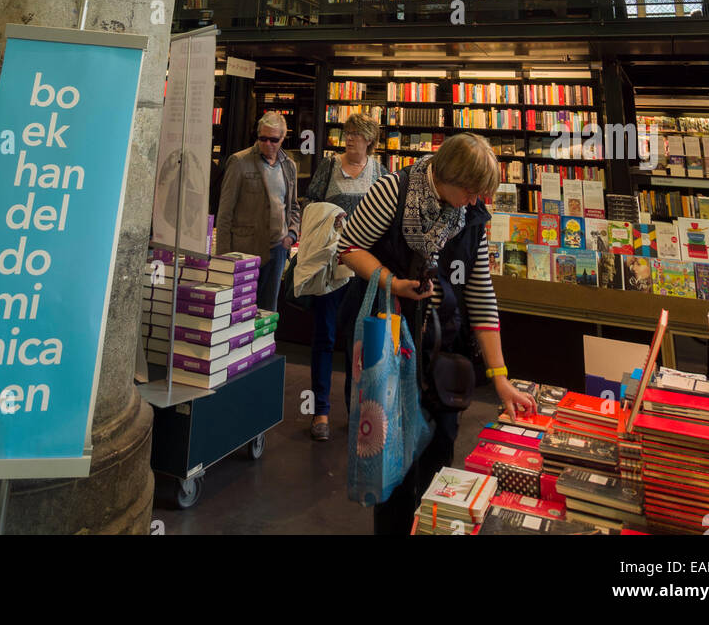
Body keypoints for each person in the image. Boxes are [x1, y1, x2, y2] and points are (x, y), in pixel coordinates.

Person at [337, 132, 537, 535]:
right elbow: (348, 246)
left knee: (438, 464)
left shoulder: (471, 217)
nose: (474, 200)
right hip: (388, 348)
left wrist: (501, 379)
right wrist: (393, 283)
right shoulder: (392, 191)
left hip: (442, 353)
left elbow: (480, 295)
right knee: (391, 467)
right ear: (446, 176)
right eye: (470, 190)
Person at [303, 112, 388, 442]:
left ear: (369, 140)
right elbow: (310, 205)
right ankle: (320, 410)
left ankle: (356, 410)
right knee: (324, 337)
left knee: (358, 344)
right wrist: (328, 220)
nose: (349, 138)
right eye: (347, 132)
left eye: (356, 134)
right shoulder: (328, 166)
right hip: (330, 267)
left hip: (363, 272)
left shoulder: (380, 173)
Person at [215, 111, 298, 312]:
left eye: (273, 140)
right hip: (245, 248)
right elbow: (225, 212)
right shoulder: (240, 162)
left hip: (278, 248)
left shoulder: (289, 165)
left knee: (268, 311)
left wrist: (291, 235)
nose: (268, 144)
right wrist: (224, 257)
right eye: (263, 138)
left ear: (282, 138)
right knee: (240, 309)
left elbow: (293, 206)